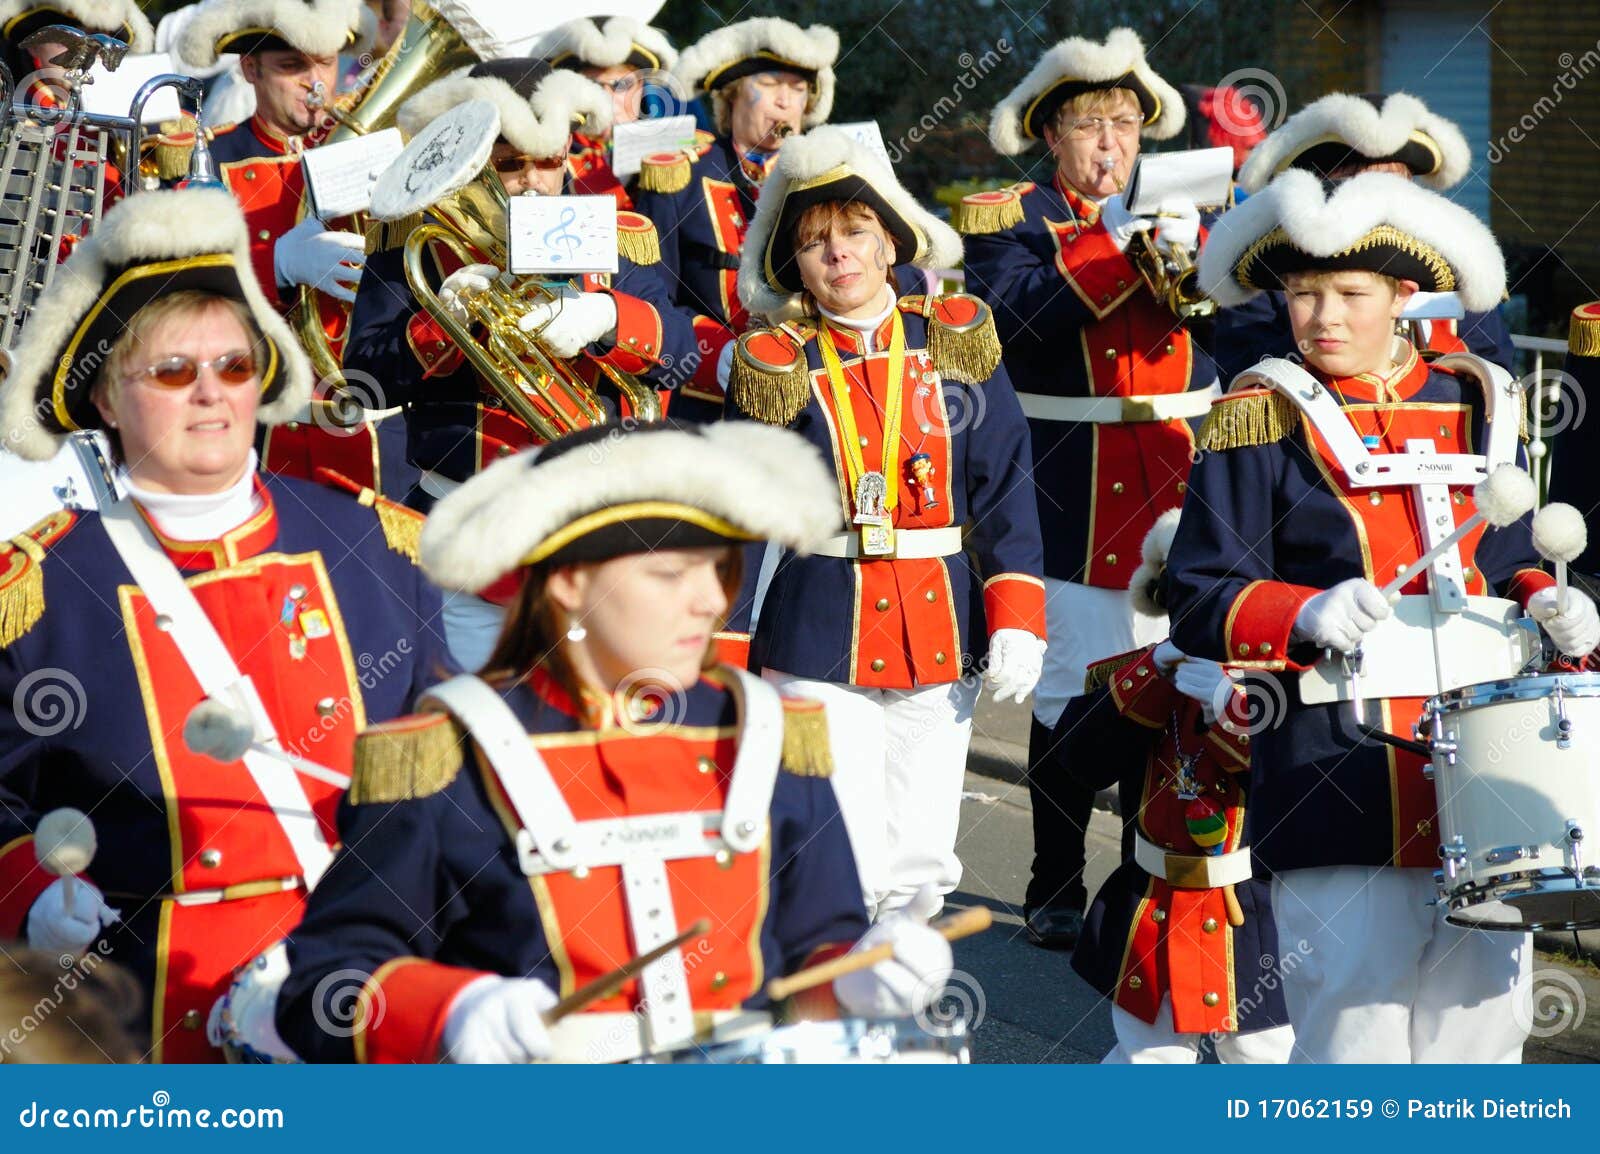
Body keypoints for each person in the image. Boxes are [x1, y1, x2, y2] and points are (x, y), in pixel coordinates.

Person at [275, 419, 955, 1063]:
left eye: (718, 570)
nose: (710, 602)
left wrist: (859, 974)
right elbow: (323, 987)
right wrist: (449, 1011)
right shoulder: (448, 757)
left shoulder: (767, 736)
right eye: (671, 573)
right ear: (570, 581)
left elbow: (813, 948)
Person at [0, 187, 451, 1062]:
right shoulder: (41, 589)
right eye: (173, 372)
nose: (210, 393)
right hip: (142, 1024)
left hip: (362, 995)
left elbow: (442, 779)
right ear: (107, 398)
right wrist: (31, 894)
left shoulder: (373, 545)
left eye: (235, 367)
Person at [1169, 168, 1600, 1062]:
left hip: (1489, 787)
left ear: (1404, 296)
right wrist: (1304, 610)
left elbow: (1503, 562)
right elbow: (1200, 594)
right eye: (1302, 294)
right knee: (1352, 1041)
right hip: (1337, 775)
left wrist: (1549, 602)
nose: (1321, 318)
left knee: (1482, 1038)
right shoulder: (1258, 412)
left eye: (1350, 295)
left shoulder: (1474, 400)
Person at [726, 127, 1046, 920]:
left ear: (890, 243)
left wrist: (1018, 615)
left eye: (855, 231)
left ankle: (908, 994)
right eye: (815, 242)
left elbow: (1004, 484)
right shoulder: (774, 363)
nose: (838, 252)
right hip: (816, 628)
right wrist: (726, 648)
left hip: (939, 623)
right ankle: (839, 992)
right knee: (838, 853)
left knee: (923, 863)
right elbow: (741, 519)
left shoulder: (953, 337)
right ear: (794, 266)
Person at [958, 28, 1214, 949]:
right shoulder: (1009, 216)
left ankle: (1145, 879)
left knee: (1172, 684)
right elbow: (1011, 317)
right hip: (1069, 479)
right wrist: (1108, 239)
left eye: (1126, 126)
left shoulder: (1188, 207)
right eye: (1090, 125)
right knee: (1070, 689)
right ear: (1051, 135)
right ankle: (1054, 879)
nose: (1112, 144)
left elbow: (1239, 322)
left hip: (1180, 471)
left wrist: (1203, 263)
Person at [346, 58, 704, 670]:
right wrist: (445, 325)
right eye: (511, 165)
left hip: (593, 526)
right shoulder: (417, 241)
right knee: (475, 708)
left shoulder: (617, 232)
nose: (534, 183)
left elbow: (680, 353)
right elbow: (366, 381)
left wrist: (607, 317)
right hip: (470, 527)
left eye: (548, 161)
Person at [1056, 511, 1293, 1063]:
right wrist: (1151, 672)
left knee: (1268, 1059)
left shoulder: (1281, 686)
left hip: (1252, 913)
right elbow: (1080, 762)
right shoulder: (1130, 673)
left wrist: (1233, 708)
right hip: (1151, 902)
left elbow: (1296, 782)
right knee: (1147, 1058)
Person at [178, 0, 412, 501]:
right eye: (291, 66)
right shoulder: (210, 160)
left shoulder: (375, 150)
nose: (316, 83)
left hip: (381, 427)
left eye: (325, 63)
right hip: (268, 426)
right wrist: (277, 265)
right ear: (250, 69)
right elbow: (183, 295)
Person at [1216, 92, 1513, 380]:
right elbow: (1238, 367)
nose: (1374, 207)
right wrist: (1328, 337)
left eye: (1389, 188)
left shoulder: (1451, 267)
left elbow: (1495, 369)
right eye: (1355, 188)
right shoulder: (1274, 260)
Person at [631, 17, 841, 420]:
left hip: (813, 401)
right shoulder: (679, 175)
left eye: (798, 89)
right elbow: (649, 296)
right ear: (731, 96)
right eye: (770, 84)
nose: (785, 101)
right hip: (705, 402)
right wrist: (715, 354)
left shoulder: (827, 177)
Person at [532, 16, 678, 209]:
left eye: (622, 85)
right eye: (594, 85)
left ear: (641, 87)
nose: (607, 98)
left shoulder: (667, 149)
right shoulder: (550, 157)